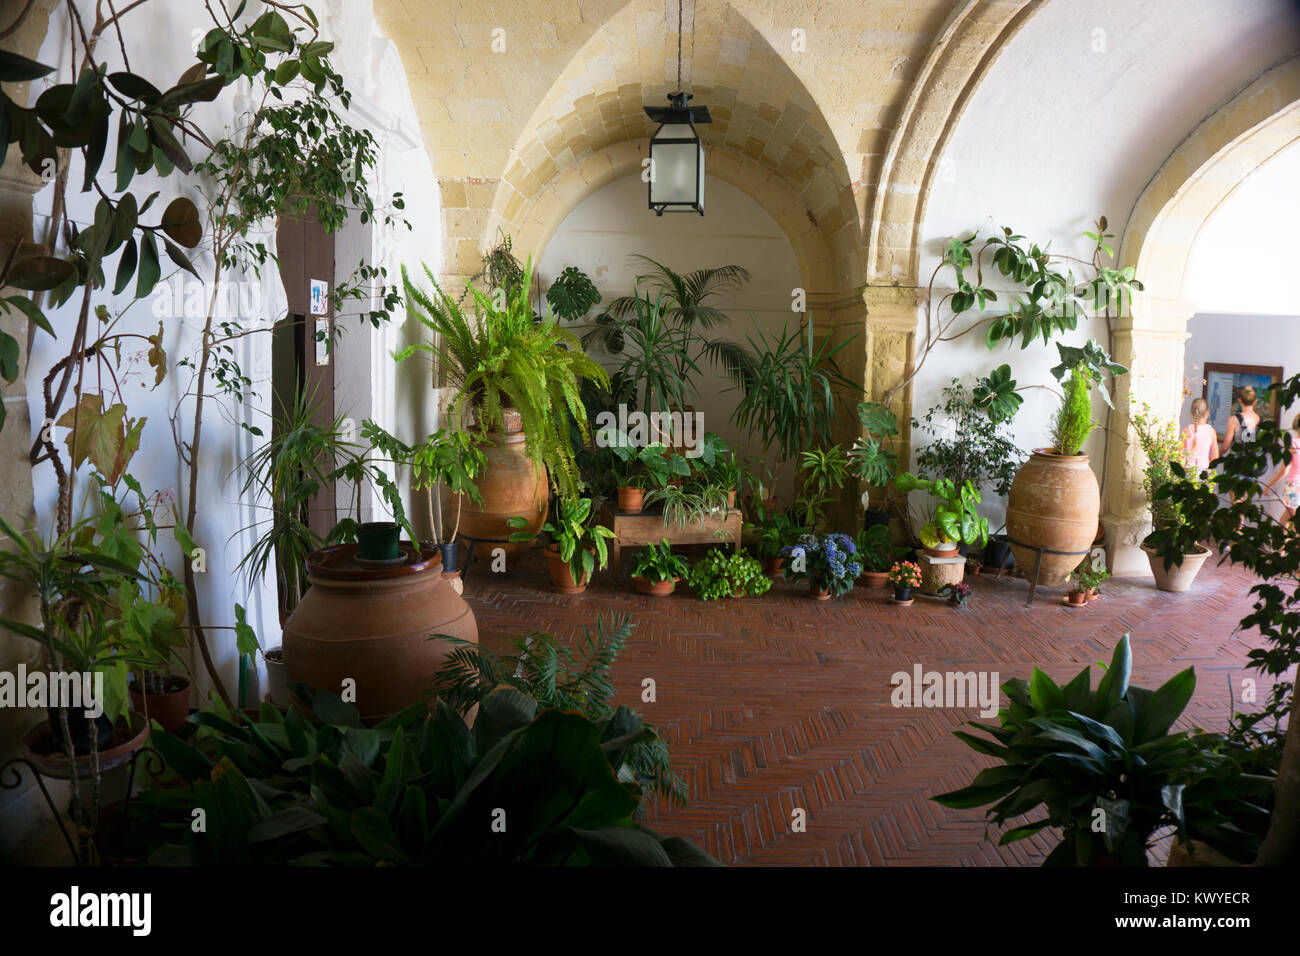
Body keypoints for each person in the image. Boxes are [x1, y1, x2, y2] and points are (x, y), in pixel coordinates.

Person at [1264, 413, 1300, 528]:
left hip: (1294, 485)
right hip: (1295, 486)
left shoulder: (1293, 444)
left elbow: (1284, 470)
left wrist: (1269, 485)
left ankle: (1281, 542)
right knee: (1292, 519)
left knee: (1288, 518)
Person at [1182, 397, 1219, 473]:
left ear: (1191, 412)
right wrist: (1206, 465)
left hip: (1187, 470)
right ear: (1207, 412)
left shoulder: (1186, 431)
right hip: (1203, 471)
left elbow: (1179, 454)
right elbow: (1215, 457)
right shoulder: (1211, 432)